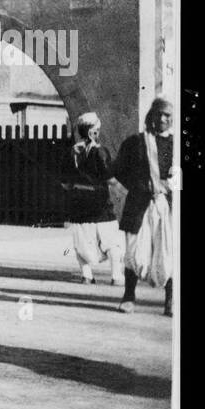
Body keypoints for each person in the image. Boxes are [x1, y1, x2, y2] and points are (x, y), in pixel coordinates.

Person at [113, 97, 177, 315]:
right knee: (133, 252)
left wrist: (167, 187)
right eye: (158, 114)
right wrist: (139, 186)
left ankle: (170, 301)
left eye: (167, 115)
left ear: (172, 118)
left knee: (168, 252)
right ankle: (129, 297)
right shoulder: (135, 143)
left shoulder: (176, 145)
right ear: (151, 116)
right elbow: (119, 170)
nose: (162, 118)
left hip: (166, 206)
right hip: (138, 206)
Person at [61, 112, 123, 285]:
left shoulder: (70, 154)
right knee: (110, 240)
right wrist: (122, 189)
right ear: (92, 131)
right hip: (100, 203)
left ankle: (87, 276)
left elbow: (65, 184)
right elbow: (109, 178)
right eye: (97, 130)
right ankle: (116, 276)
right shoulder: (100, 152)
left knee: (81, 241)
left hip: (79, 204)